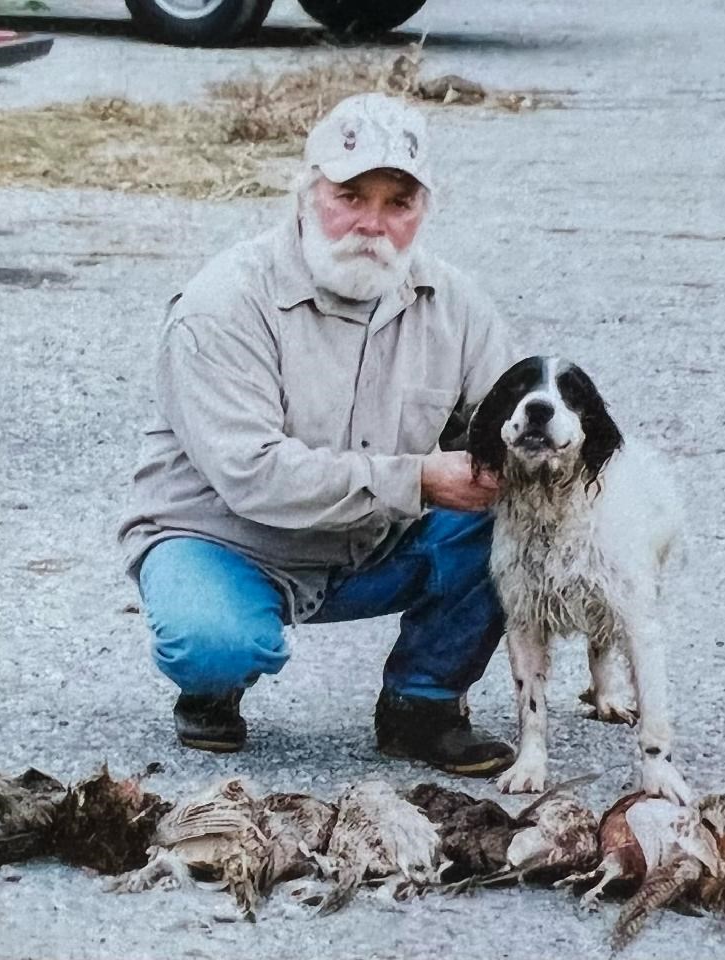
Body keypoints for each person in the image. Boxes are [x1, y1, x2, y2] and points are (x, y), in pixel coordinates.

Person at [118, 92, 518, 777]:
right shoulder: (223, 302)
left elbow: (513, 429)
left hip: (372, 542)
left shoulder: (458, 307)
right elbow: (253, 475)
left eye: (399, 203)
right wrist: (419, 478)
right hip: (229, 539)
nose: (372, 223)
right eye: (350, 194)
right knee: (215, 641)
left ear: (426, 211)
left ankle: (423, 705)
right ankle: (212, 685)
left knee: (518, 508)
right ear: (306, 194)